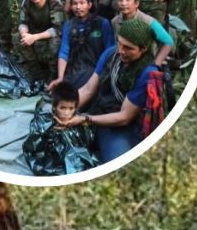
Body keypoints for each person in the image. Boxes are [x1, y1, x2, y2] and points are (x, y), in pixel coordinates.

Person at [67, 18, 170, 162]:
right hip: (100, 110)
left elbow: (124, 117)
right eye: (119, 43)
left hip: (121, 124)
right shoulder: (110, 53)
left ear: (143, 49)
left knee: (117, 160)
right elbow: (88, 89)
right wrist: (66, 110)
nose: (121, 50)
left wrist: (85, 119)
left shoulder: (147, 73)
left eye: (128, 47)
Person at [22, 82, 99, 176]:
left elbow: (88, 141)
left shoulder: (80, 122)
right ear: (54, 107)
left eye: (71, 108)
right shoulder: (45, 123)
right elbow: (33, 148)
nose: (67, 113)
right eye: (62, 108)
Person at [50, 0, 116, 90]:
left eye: (82, 3)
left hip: (96, 70)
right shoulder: (68, 25)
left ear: (89, 5)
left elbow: (110, 50)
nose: (78, 7)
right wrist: (60, 77)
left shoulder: (102, 23)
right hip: (74, 70)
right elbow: (64, 52)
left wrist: (103, 72)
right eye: (74, 3)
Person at [14, 0, 65, 83]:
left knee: (55, 40)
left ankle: (53, 74)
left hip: (50, 35)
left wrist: (34, 37)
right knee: (17, 37)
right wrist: (24, 35)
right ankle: (37, 72)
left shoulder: (53, 1)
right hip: (35, 34)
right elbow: (22, 23)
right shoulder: (27, 2)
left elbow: (58, 29)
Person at [111, 0, 174, 67]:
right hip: (123, 61)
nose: (123, 3)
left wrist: (156, 63)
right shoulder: (115, 21)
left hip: (145, 63)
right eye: (120, 0)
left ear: (136, 3)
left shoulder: (148, 21)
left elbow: (168, 42)